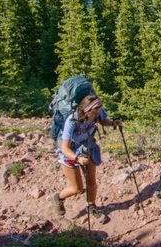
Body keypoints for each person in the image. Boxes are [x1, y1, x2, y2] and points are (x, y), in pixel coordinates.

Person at [51, 93, 122, 223]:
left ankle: (92, 207)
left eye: (98, 112)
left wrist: (113, 123)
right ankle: (58, 198)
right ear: (85, 110)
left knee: (91, 181)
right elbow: (64, 148)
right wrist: (77, 159)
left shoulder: (97, 110)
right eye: (94, 113)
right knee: (76, 188)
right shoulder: (71, 121)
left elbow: (102, 120)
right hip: (70, 152)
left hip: (87, 147)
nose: (96, 115)